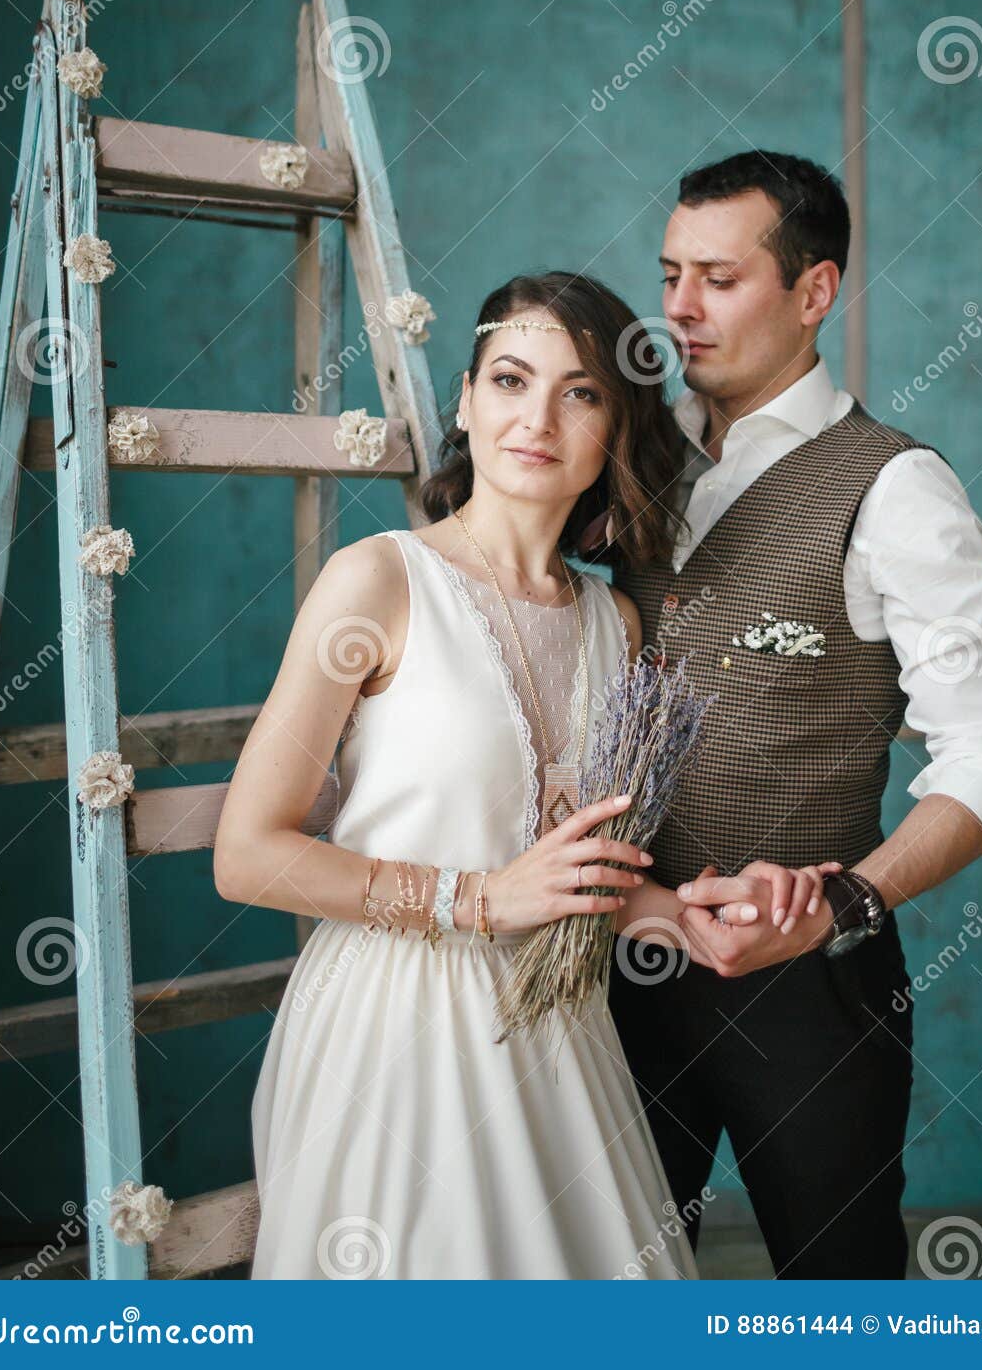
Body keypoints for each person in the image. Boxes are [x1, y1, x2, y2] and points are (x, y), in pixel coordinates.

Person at [218, 270, 819, 1281]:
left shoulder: (612, 621)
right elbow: (247, 855)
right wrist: (478, 900)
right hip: (390, 1028)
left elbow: (568, 875)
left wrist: (686, 918)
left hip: (558, 1029)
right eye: (508, 379)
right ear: (463, 400)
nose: (536, 419)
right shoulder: (377, 579)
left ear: (615, 427)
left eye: (579, 393)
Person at [604, 150, 982, 1279]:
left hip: (813, 975)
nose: (680, 308)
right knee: (608, 1283)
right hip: (619, 953)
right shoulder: (628, 457)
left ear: (813, 291)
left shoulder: (894, 487)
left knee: (838, 1286)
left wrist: (843, 901)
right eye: (669, 275)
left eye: (718, 278)